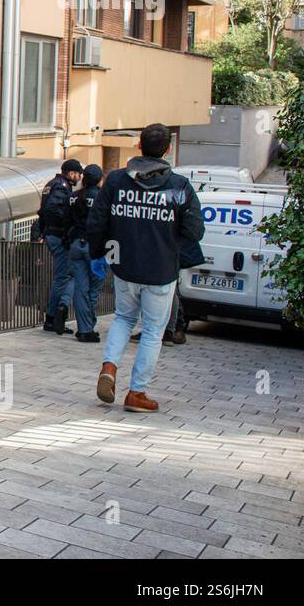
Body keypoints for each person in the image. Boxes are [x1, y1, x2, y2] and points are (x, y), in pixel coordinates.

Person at [87, 124, 204, 412]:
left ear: (138, 146)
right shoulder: (179, 187)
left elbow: (96, 222)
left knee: (123, 319)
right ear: (168, 149)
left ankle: (109, 368)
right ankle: (137, 393)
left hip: (125, 265)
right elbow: (195, 231)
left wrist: (97, 253)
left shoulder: (115, 181)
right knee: (153, 330)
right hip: (161, 270)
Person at [39, 158, 85, 333]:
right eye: (79, 173)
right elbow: (52, 209)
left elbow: (43, 211)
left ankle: (56, 315)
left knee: (65, 276)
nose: (80, 177)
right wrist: (67, 226)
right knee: (64, 277)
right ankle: (53, 317)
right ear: (71, 173)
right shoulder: (61, 186)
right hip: (58, 235)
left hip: (51, 234)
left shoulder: (52, 184)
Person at [67, 164, 105, 343]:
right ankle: (89, 326)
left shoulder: (73, 196)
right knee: (94, 287)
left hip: (75, 244)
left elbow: (66, 219)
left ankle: (83, 328)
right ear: (98, 179)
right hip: (94, 247)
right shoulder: (100, 198)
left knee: (81, 288)